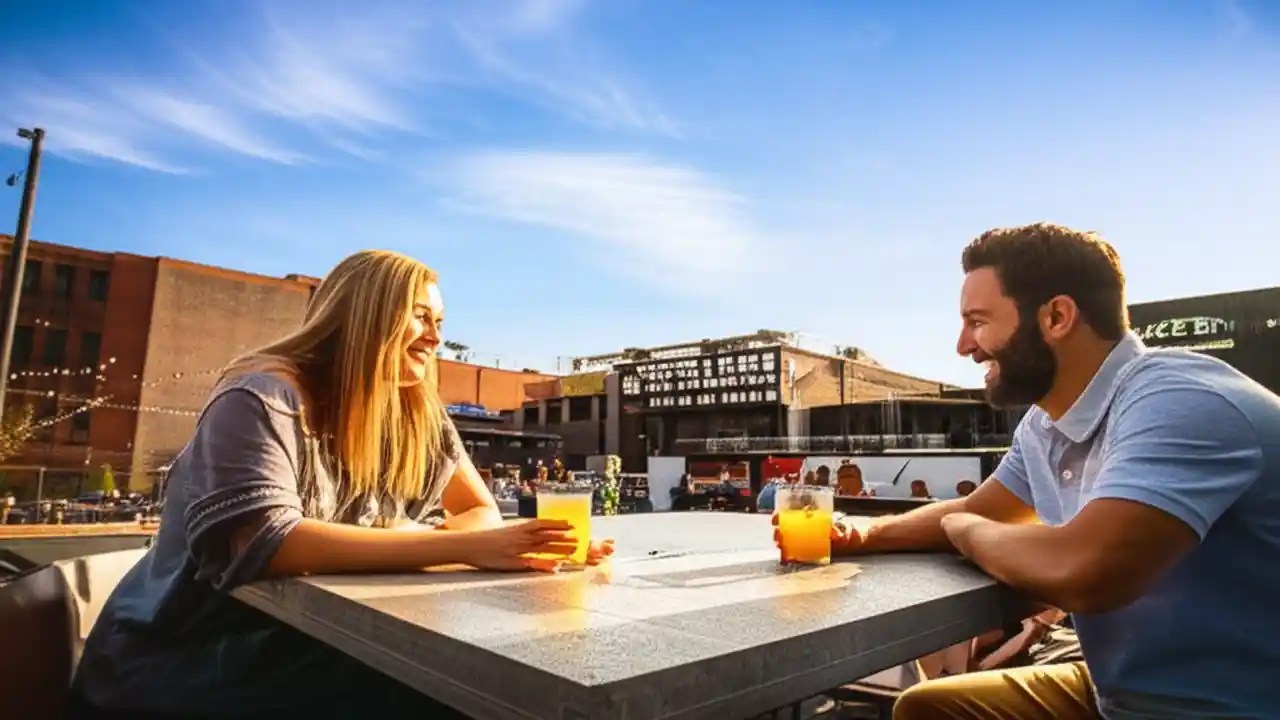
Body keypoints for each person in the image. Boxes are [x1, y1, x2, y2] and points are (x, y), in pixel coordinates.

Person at [70, 250, 614, 719]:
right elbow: (266, 542)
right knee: (454, 693)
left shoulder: (415, 412)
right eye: (419, 315)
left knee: (474, 677)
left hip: (304, 644)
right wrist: (467, 547)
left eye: (440, 320)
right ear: (366, 314)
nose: (435, 335)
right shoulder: (262, 398)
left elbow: (479, 511)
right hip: (178, 662)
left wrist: (494, 544)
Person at [776, 223, 1280, 719]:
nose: (963, 346)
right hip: (1123, 693)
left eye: (977, 321)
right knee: (928, 707)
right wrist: (863, 536)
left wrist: (964, 531)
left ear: (1056, 317)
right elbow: (980, 506)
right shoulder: (1044, 425)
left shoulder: (1180, 401)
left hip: (1233, 704)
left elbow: (1082, 570)